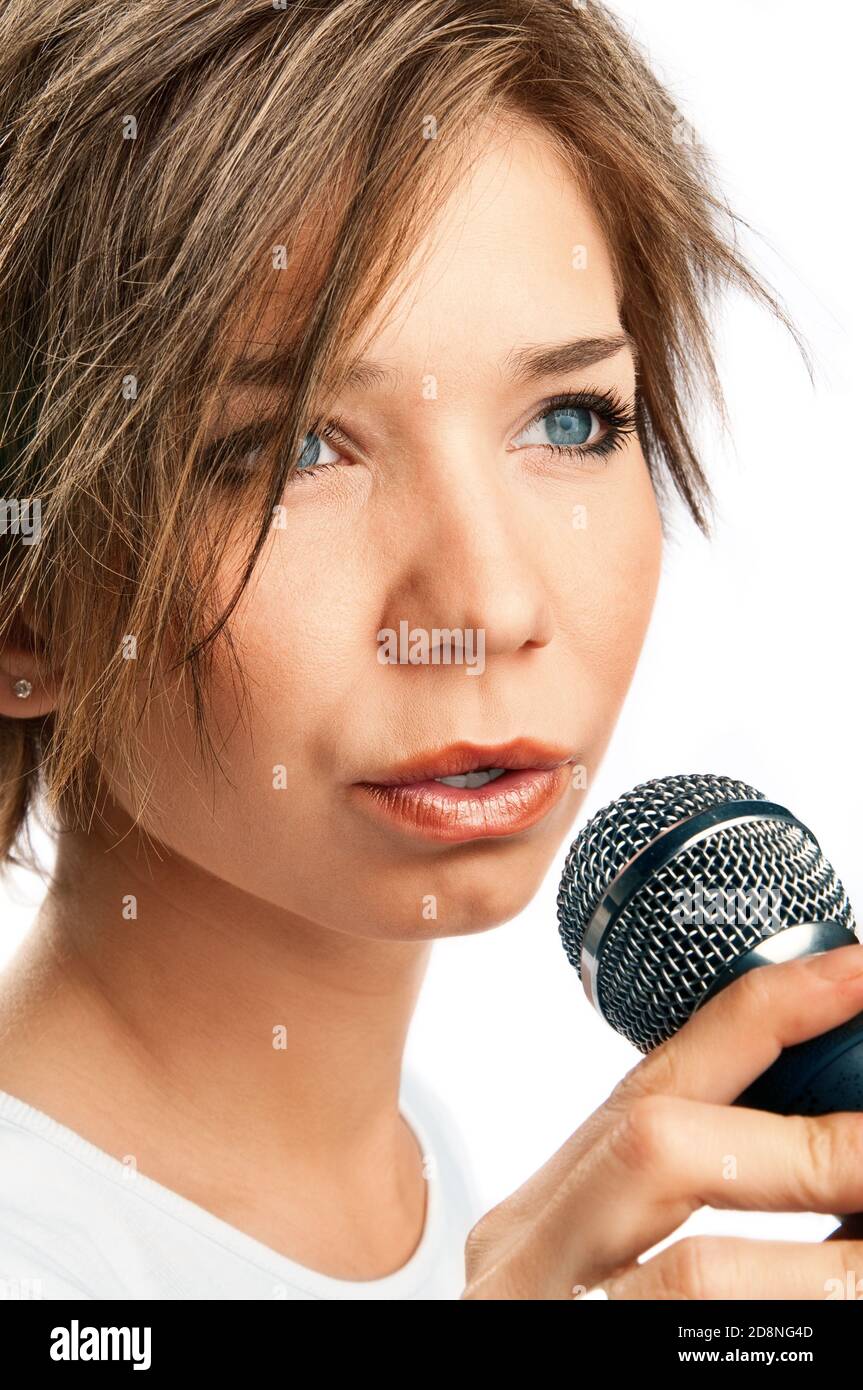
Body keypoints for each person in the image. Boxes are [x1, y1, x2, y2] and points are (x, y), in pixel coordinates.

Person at [1, 0, 859, 1301]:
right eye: (296, 447)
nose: (490, 601)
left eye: (570, 420)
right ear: (25, 603)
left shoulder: (425, 1167)